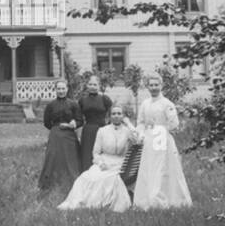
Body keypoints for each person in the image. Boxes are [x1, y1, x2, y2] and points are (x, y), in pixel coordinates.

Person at [58, 105, 139, 212]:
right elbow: (95, 153)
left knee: (108, 178)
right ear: (109, 117)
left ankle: (103, 203)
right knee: (86, 177)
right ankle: (86, 202)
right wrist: (100, 163)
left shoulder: (127, 131)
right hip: (104, 160)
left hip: (120, 162)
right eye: (113, 114)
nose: (116, 116)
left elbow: (139, 139)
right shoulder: (102, 130)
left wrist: (128, 124)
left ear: (123, 116)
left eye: (119, 114)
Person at [133, 76, 193, 209]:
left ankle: (161, 199)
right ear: (147, 87)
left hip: (161, 137)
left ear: (161, 85)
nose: (154, 88)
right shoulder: (145, 103)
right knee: (149, 167)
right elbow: (140, 122)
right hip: (149, 138)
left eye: (156, 85)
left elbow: (174, 124)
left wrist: (161, 129)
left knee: (161, 167)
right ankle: (147, 198)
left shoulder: (167, 104)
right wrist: (141, 133)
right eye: (151, 85)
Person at [38, 79, 82, 191]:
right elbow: (47, 122)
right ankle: (51, 183)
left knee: (70, 158)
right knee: (53, 156)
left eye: (63, 88)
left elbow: (80, 121)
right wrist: (56, 128)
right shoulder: (50, 105)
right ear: (55, 90)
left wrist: (74, 124)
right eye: (59, 89)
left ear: (67, 89)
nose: (61, 91)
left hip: (69, 135)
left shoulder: (73, 104)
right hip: (56, 134)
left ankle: (72, 182)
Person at [76, 73, 113, 170]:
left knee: (102, 152)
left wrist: (109, 128)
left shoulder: (105, 99)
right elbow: (79, 119)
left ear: (99, 86)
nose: (92, 87)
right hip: (88, 130)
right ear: (87, 85)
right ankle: (87, 173)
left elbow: (112, 115)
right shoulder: (82, 100)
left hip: (102, 129)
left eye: (95, 84)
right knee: (88, 153)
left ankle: (103, 172)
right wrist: (78, 133)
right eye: (90, 84)